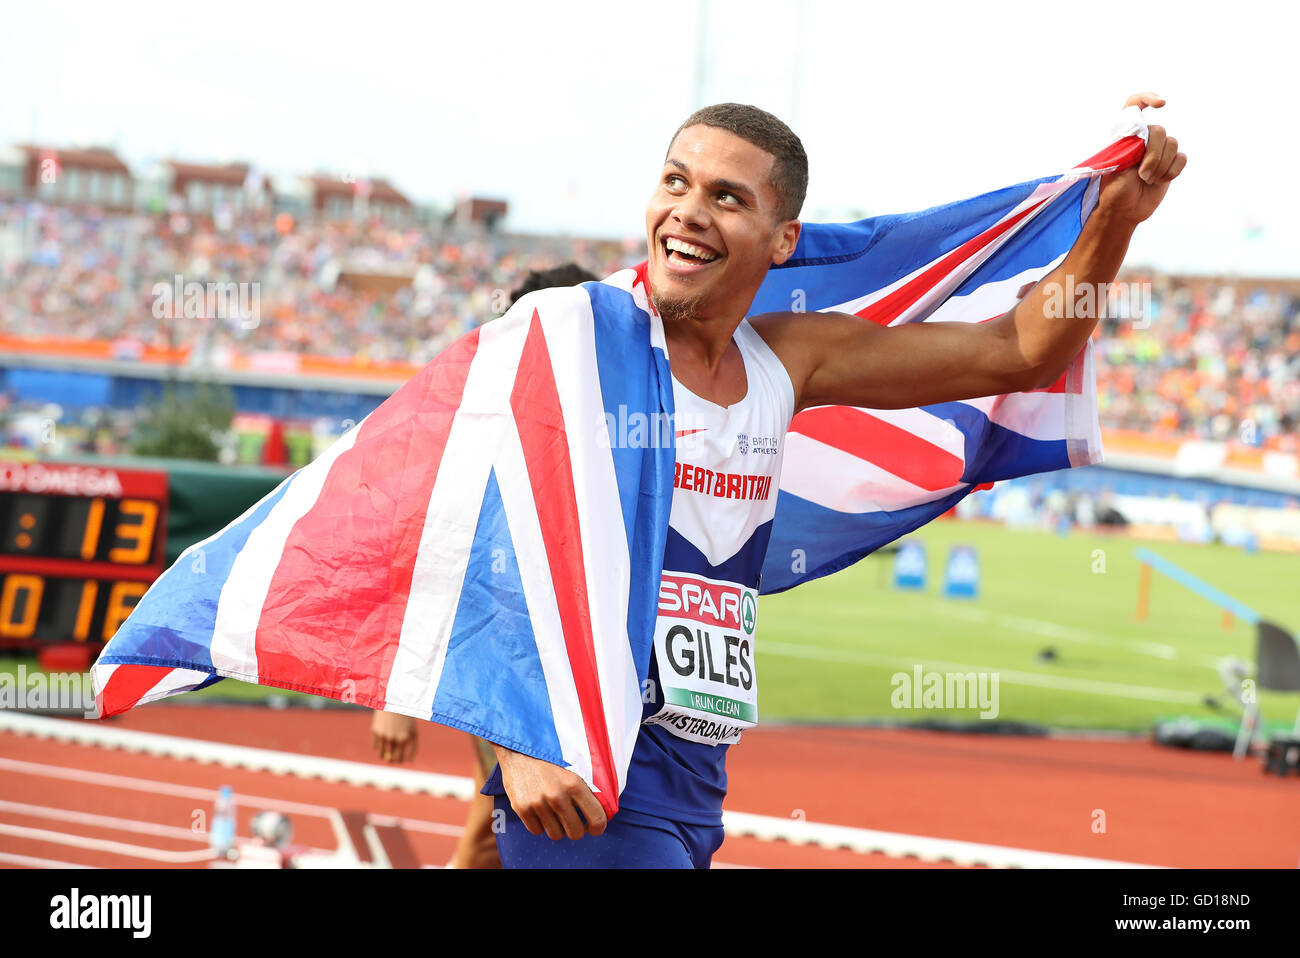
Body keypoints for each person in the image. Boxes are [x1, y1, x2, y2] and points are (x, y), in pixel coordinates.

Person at [479, 96, 1186, 868]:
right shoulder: (581, 337)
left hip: (693, 784)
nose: (688, 212)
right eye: (675, 182)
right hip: (587, 777)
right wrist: (513, 749)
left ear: (784, 241)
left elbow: (1016, 352)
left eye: (726, 197)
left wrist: (1115, 221)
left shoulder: (787, 360)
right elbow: (468, 529)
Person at [370, 263, 600, 869]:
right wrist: (396, 699)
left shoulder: (601, 427)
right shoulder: (488, 429)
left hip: (586, 681)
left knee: (538, 835)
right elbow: (431, 548)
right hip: (508, 674)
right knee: (499, 830)